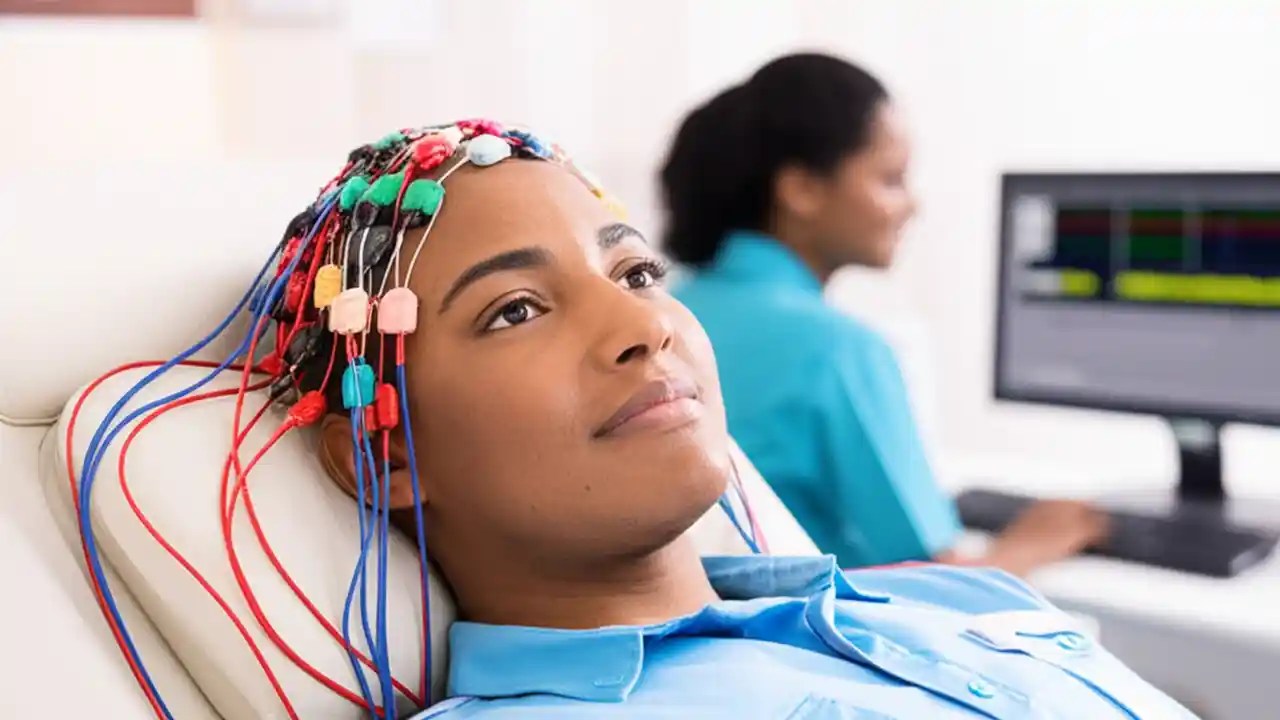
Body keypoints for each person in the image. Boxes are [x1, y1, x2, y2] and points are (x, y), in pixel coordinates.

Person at [267, 120, 1190, 718]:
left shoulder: (959, 602)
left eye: (635, 274)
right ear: (383, 452)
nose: (645, 327)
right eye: (515, 309)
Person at [662, 53, 1108, 574]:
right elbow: (935, 581)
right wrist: (1037, 539)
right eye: (891, 179)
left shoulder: (666, 315)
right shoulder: (837, 350)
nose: (911, 206)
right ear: (802, 189)